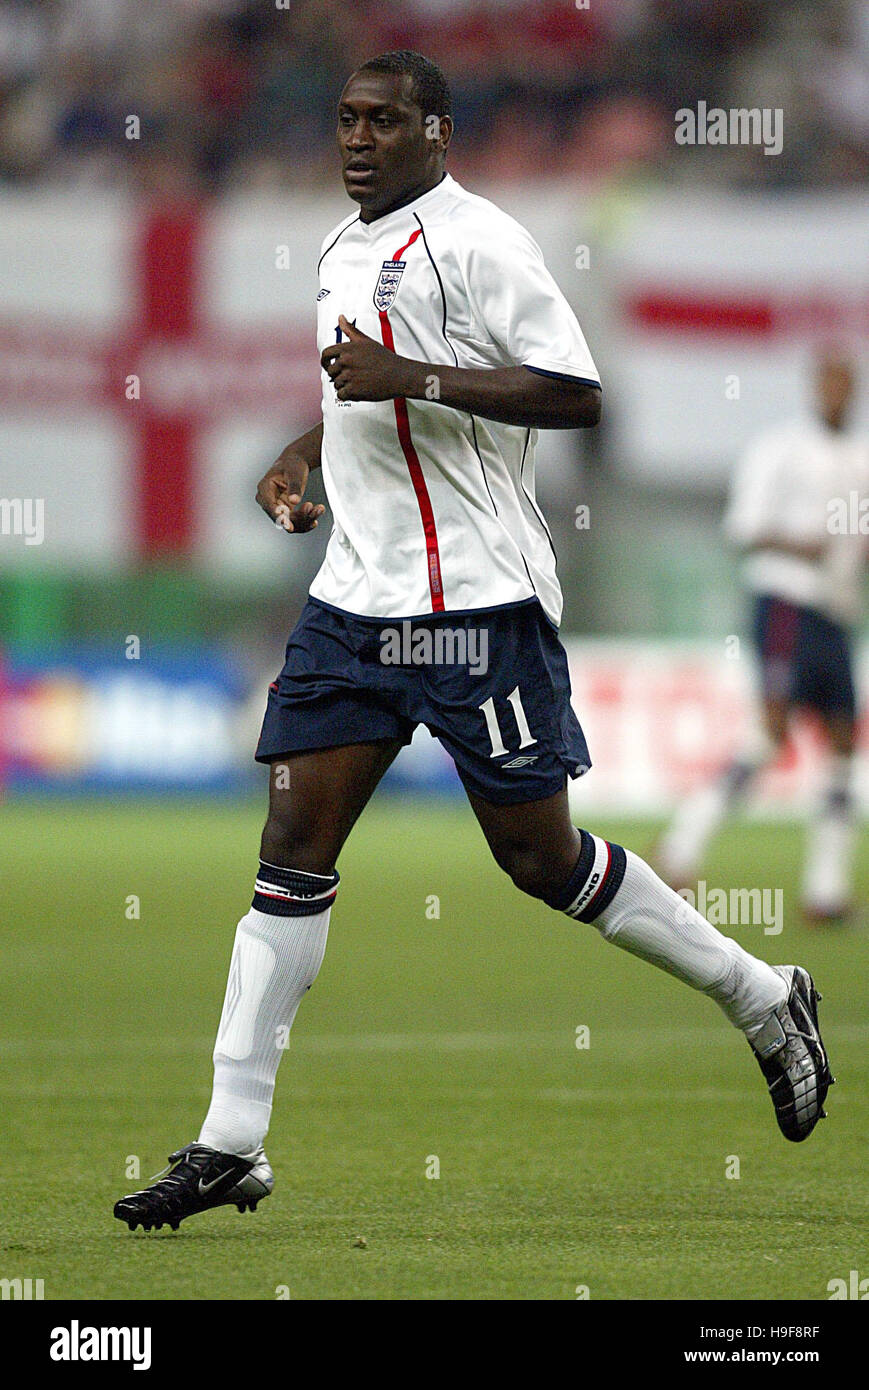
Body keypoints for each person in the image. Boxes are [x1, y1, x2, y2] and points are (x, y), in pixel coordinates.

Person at [114, 52, 832, 1234]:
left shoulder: (483, 241)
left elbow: (575, 391)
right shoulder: (345, 249)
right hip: (354, 601)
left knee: (540, 861)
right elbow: (364, 393)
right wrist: (303, 456)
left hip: (475, 605)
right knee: (292, 843)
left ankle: (762, 996)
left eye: (383, 121)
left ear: (435, 134)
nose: (355, 138)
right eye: (345, 118)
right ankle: (229, 1141)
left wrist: (417, 374)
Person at [657, 352, 866, 923]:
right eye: (829, 380)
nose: (837, 391)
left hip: (837, 614)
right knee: (771, 732)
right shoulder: (781, 449)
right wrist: (803, 543)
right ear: (814, 385)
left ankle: (826, 890)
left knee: (846, 741)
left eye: (846, 381)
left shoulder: (862, 457)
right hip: (787, 604)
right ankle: (679, 848)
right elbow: (742, 527)